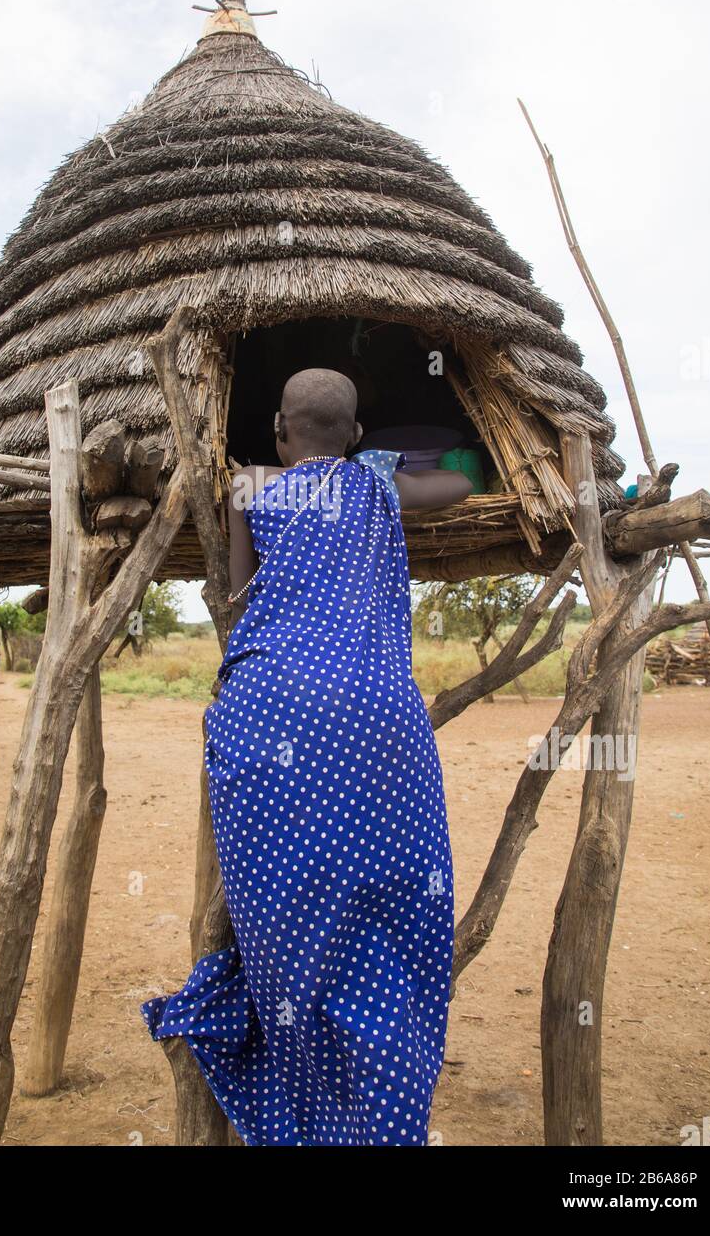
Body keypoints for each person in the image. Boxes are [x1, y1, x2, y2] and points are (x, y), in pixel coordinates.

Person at [142, 369, 473, 1146]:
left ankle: (297, 1085)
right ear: (355, 434)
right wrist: (389, 461)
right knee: (394, 907)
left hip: (270, 710)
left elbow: (236, 597)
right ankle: (380, 1100)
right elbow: (456, 484)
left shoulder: (248, 487)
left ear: (281, 430)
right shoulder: (378, 481)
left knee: (287, 913)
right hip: (377, 716)